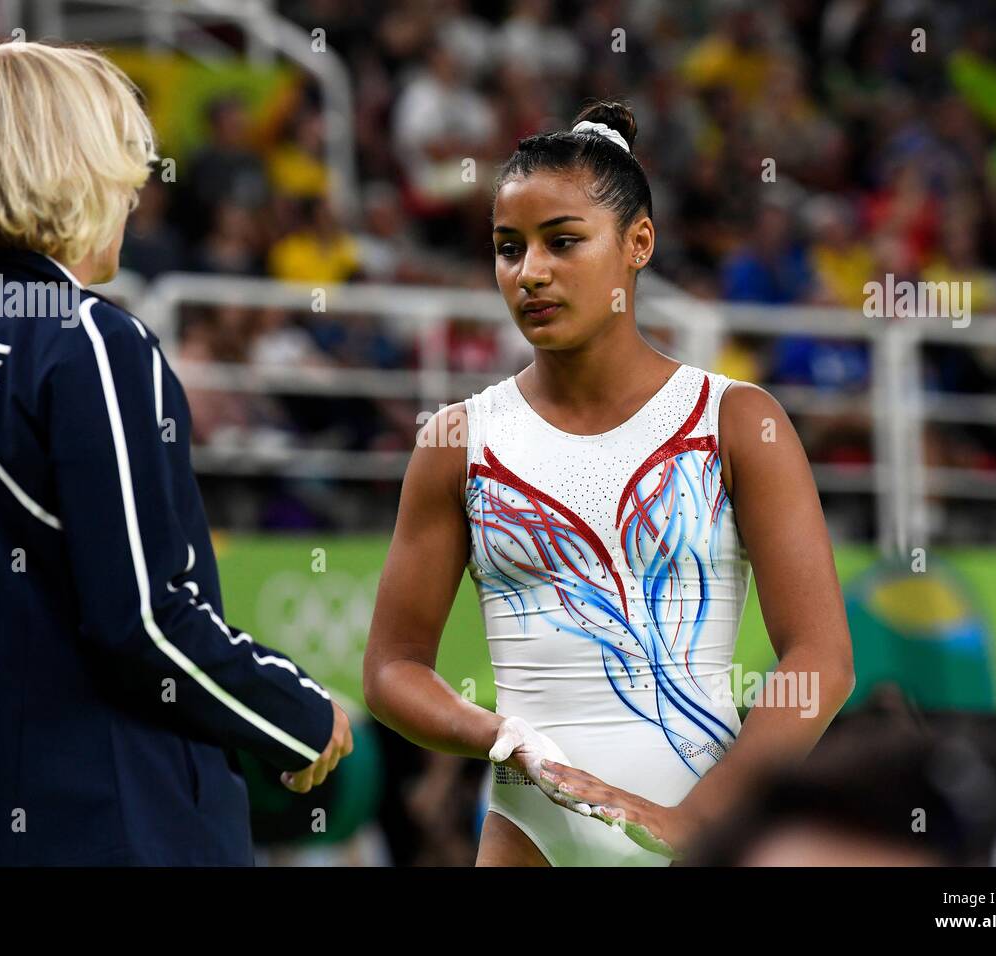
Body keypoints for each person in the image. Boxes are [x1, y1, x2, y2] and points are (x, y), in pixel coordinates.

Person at [0, 39, 350, 866]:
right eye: (126, 161)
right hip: (100, 832)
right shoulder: (89, 342)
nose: (137, 191)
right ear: (72, 168)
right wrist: (298, 713)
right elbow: (141, 619)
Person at [364, 101, 854, 866]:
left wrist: (697, 819)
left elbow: (821, 661)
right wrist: (496, 734)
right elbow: (391, 669)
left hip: (705, 832)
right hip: (530, 837)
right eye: (507, 248)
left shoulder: (734, 421)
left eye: (563, 242)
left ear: (638, 243)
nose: (530, 273)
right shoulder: (458, 440)